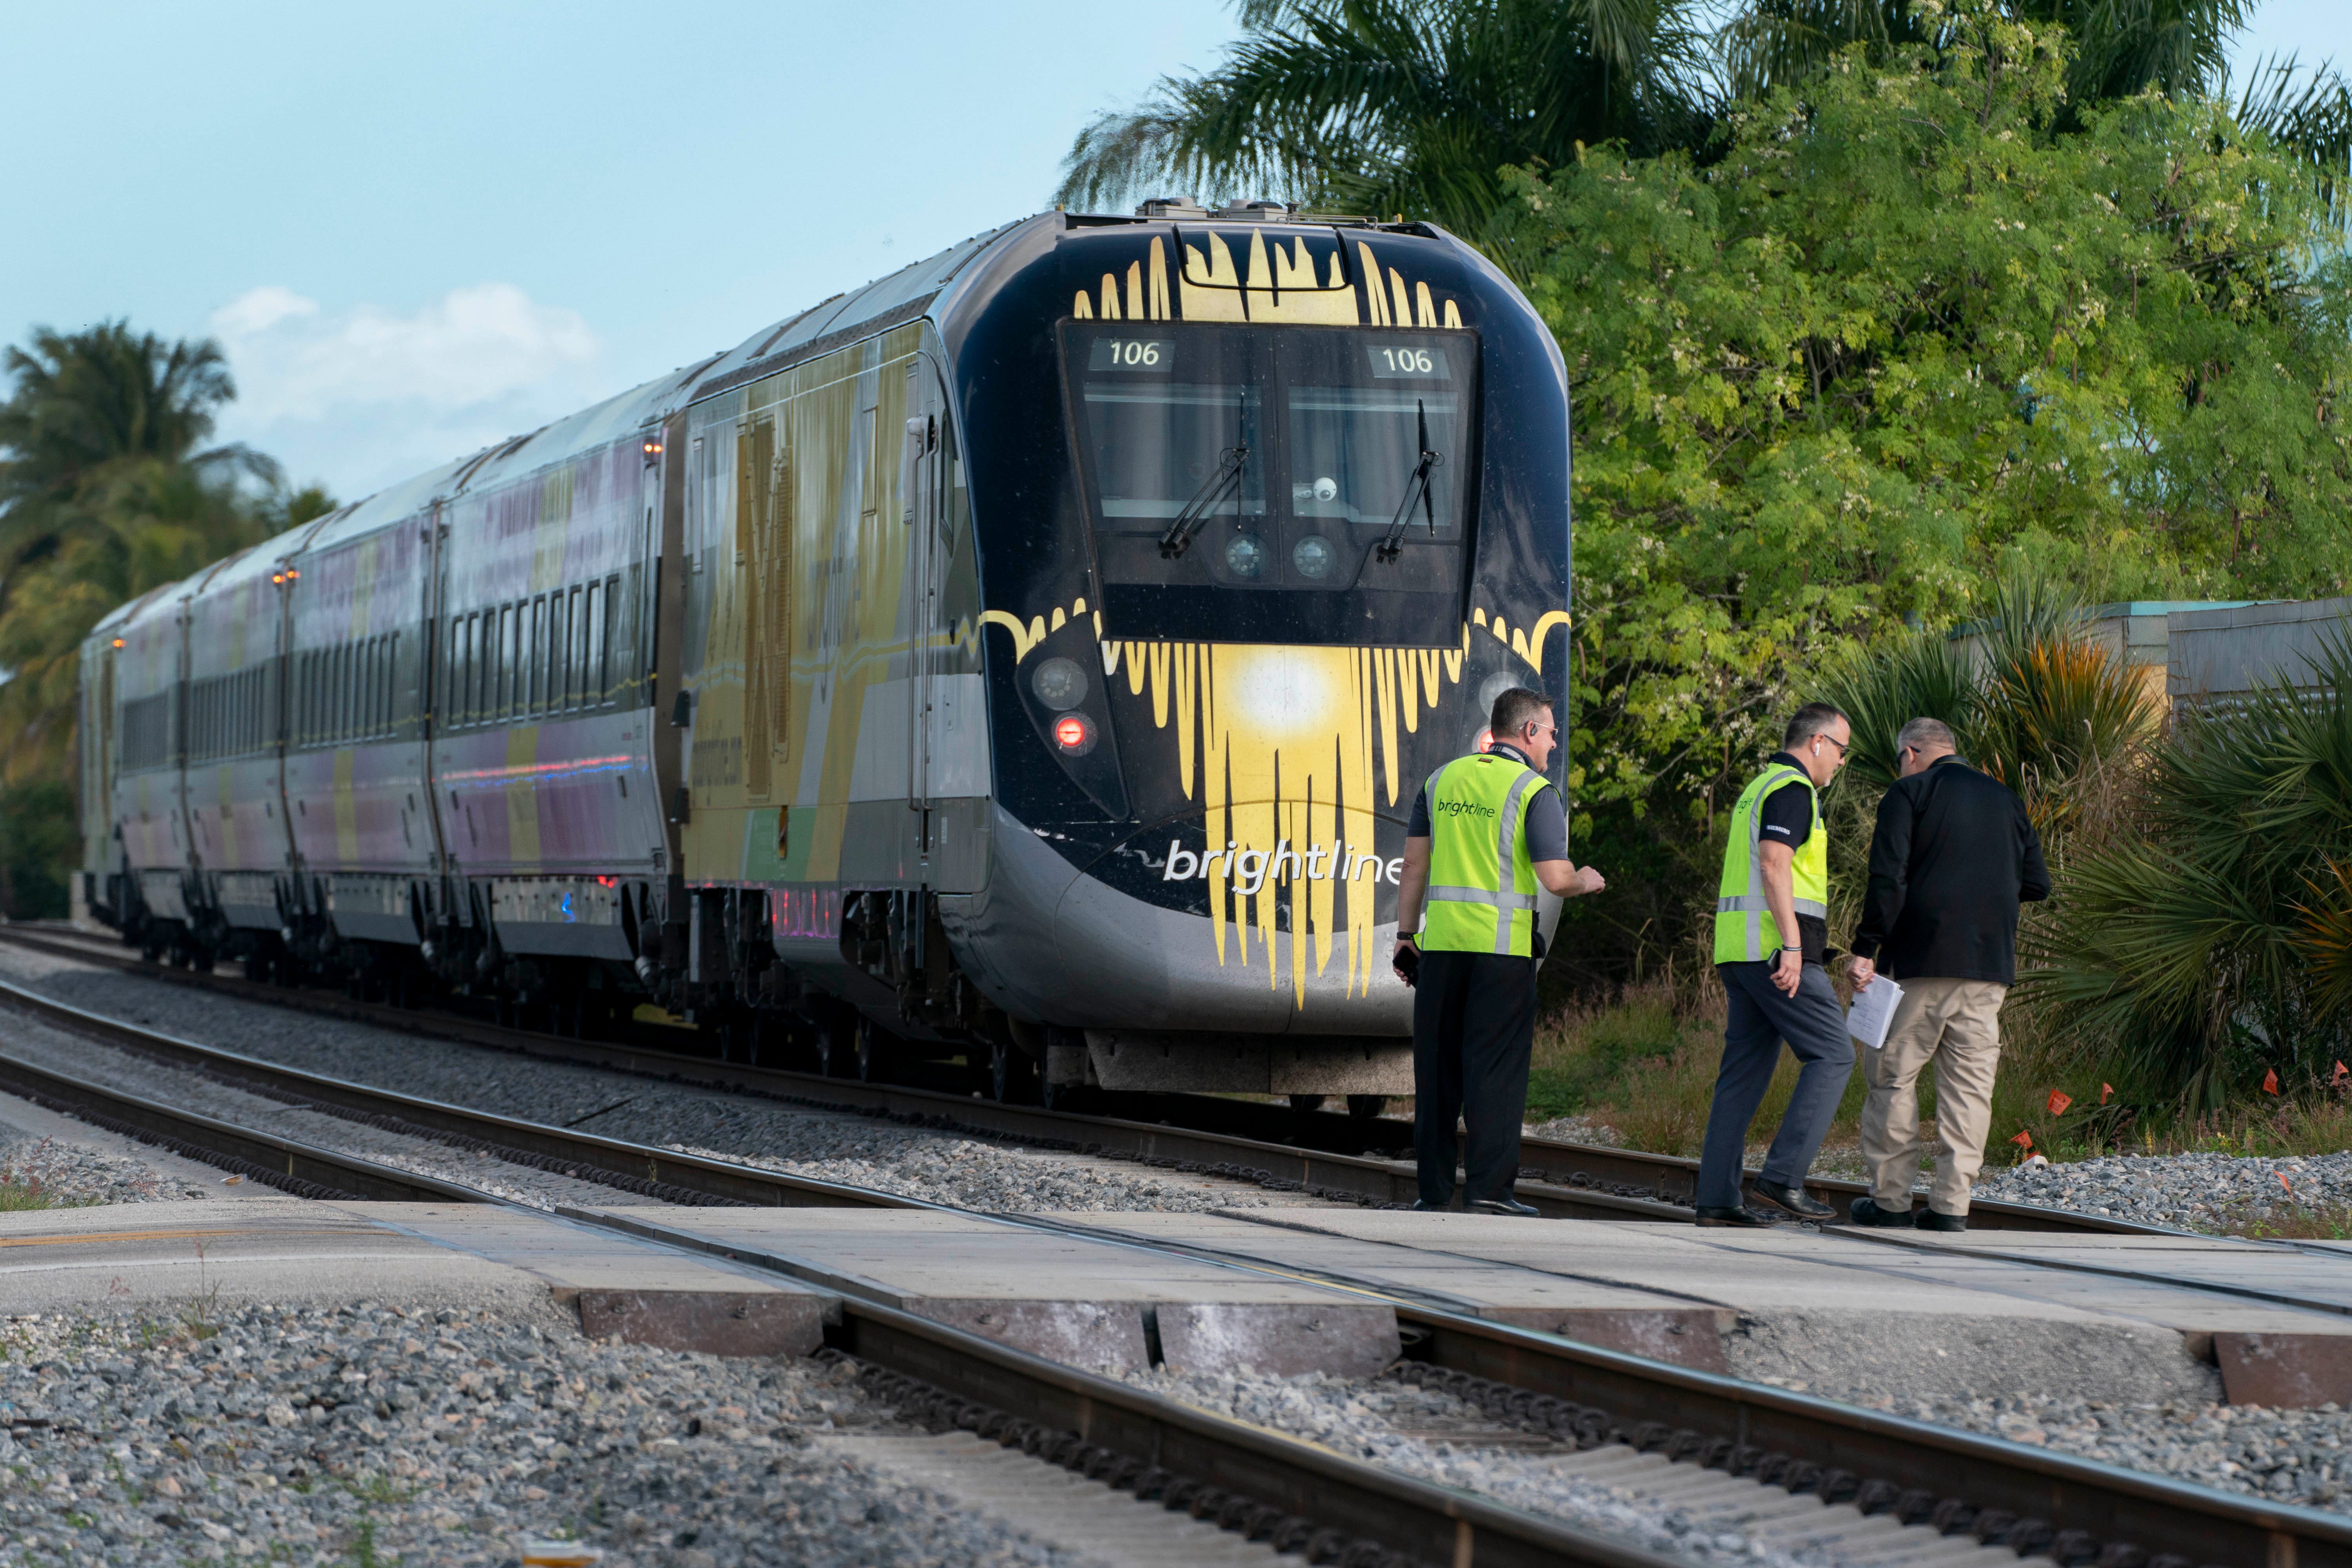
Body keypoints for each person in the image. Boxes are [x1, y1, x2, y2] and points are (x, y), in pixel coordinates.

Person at [1393, 688, 1606, 1214]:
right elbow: (1556, 880)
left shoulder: (1441, 781)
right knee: (1496, 1074)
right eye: (1552, 733)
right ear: (1528, 731)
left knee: (1437, 1076)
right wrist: (1587, 880)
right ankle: (1489, 1192)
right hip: (1501, 958)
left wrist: (1404, 937)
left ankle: (1433, 1193)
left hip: (1439, 953)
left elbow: (1414, 866)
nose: (1554, 744)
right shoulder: (1534, 792)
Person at [1846, 717, 2051, 1232]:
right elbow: (2037, 883)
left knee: (1893, 1078)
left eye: (1900, 759)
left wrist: (1866, 946)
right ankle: (1951, 1207)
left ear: (1911, 753)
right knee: (1969, 1089)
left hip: (1921, 963)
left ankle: (1891, 1201)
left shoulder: (1907, 793)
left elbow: (1887, 877)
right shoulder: (2005, 798)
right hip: (1990, 968)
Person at [1695, 703, 1857, 1227]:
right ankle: (1783, 1177)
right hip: (1775, 955)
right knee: (1834, 1055)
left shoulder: (1757, 788)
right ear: (1816, 743)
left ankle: (1717, 1199)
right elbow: (1773, 863)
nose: (1841, 762)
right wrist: (1791, 945)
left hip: (1740, 954)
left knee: (1741, 1077)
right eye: (1840, 750)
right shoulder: (1793, 790)